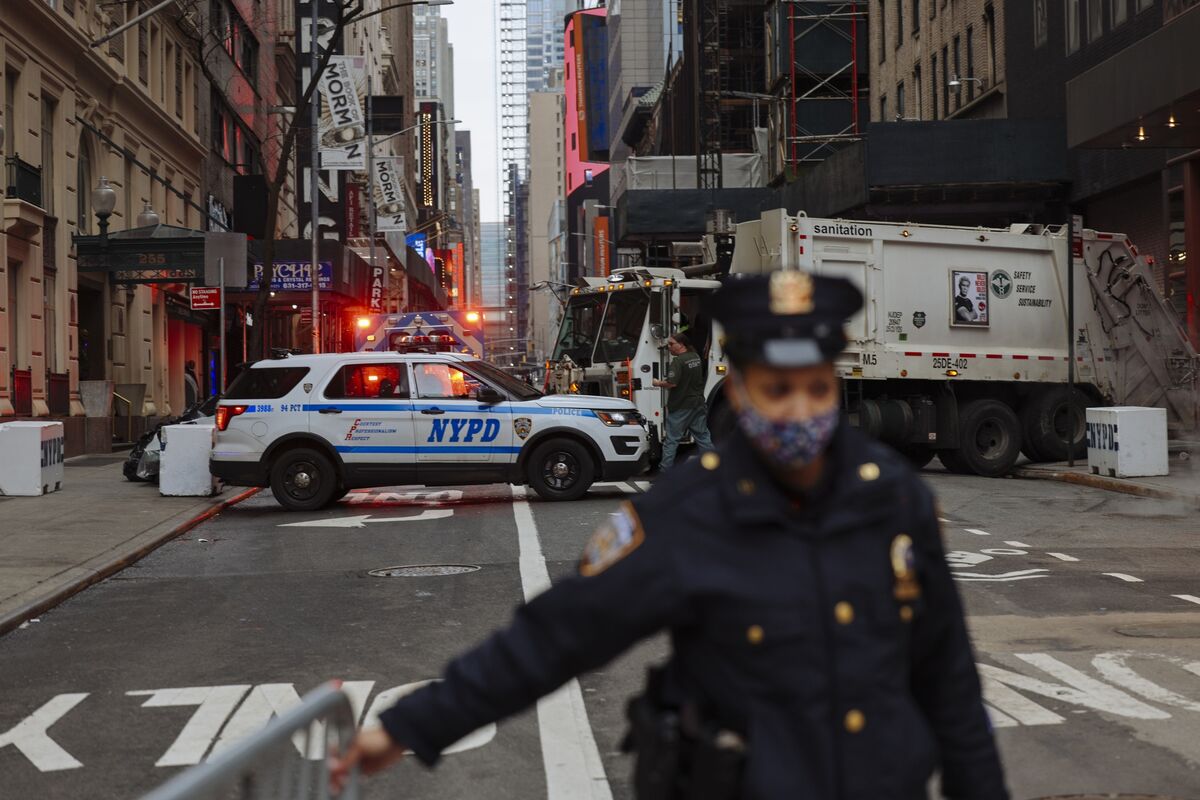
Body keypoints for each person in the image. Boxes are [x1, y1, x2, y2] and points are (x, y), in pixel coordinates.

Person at [330, 270, 1009, 800]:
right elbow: (558, 633)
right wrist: (411, 726)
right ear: (739, 393)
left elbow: (947, 675)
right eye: (778, 389)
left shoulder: (894, 498)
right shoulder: (691, 511)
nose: (800, 409)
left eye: (815, 387)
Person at [652, 332, 714, 470]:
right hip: (697, 404)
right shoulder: (695, 357)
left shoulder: (678, 362)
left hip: (681, 406)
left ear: (681, 345)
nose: (669, 347)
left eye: (671, 344)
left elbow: (672, 383)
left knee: (672, 440)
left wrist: (657, 383)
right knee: (703, 437)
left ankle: (664, 470)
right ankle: (716, 466)